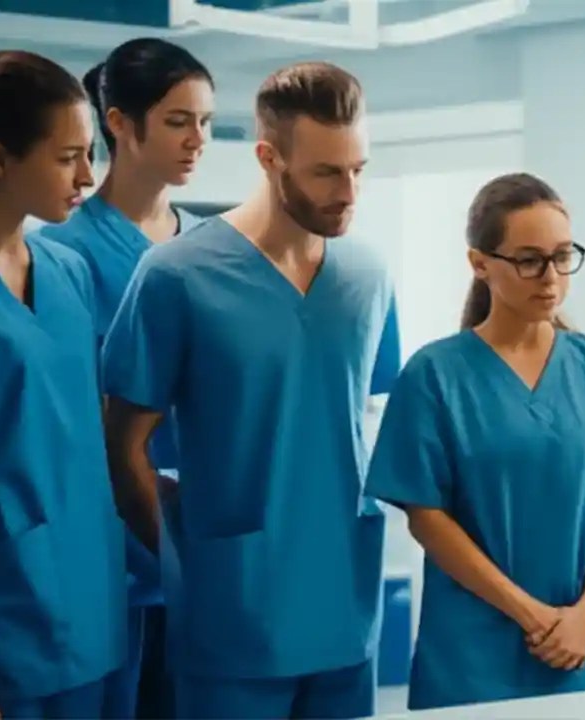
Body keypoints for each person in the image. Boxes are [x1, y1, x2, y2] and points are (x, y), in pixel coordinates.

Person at [100, 62, 399, 720]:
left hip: (345, 607)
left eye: (359, 168)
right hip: (233, 619)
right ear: (269, 158)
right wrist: (194, 567)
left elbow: (362, 417)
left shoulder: (369, 275)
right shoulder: (177, 275)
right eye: (326, 172)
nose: (349, 191)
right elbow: (122, 448)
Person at [364, 172, 585, 710]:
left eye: (563, 257)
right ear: (480, 263)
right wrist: (530, 614)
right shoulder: (434, 375)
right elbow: (427, 517)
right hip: (475, 654)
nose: (551, 277)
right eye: (529, 259)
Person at [0, 51, 125, 718]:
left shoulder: (69, 272)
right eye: (68, 157)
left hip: (91, 618)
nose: (88, 176)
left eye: (91, 153)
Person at [36, 37, 214, 720]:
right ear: (116, 121)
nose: (197, 139)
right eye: (177, 121)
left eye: (203, 121)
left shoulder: (214, 249)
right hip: (115, 565)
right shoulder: (58, 253)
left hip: (213, 550)